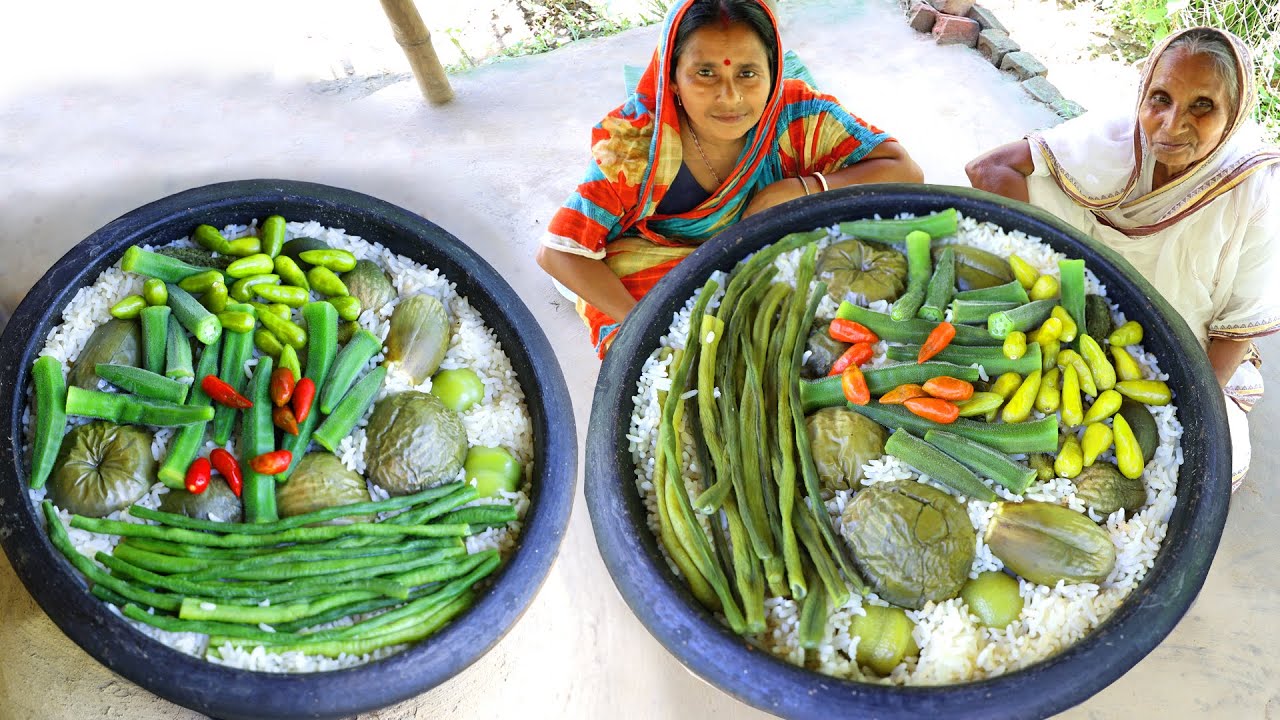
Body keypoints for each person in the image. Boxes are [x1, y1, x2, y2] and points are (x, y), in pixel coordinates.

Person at [966, 27, 1280, 491]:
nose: (1171, 125)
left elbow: (1239, 324)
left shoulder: (1259, 191)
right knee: (1039, 185)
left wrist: (1196, 407)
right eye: (1160, 99)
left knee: (1213, 465)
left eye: (1202, 105)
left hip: (1183, 336)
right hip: (1085, 302)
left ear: (1234, 114)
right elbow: (990, 169)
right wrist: (1034, 285)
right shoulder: (1120, 136)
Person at [536, 0, 923, 357]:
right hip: (665, 258)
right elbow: (560, 251)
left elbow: (904, 171)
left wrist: (802, 188)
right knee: (664, 356)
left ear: (774, 72)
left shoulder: (798, 114)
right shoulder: (636, 145)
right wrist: (652, 328)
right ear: (672, 77)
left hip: (769, 252)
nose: (730, 97)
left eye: (748, 73)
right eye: (705, 73)